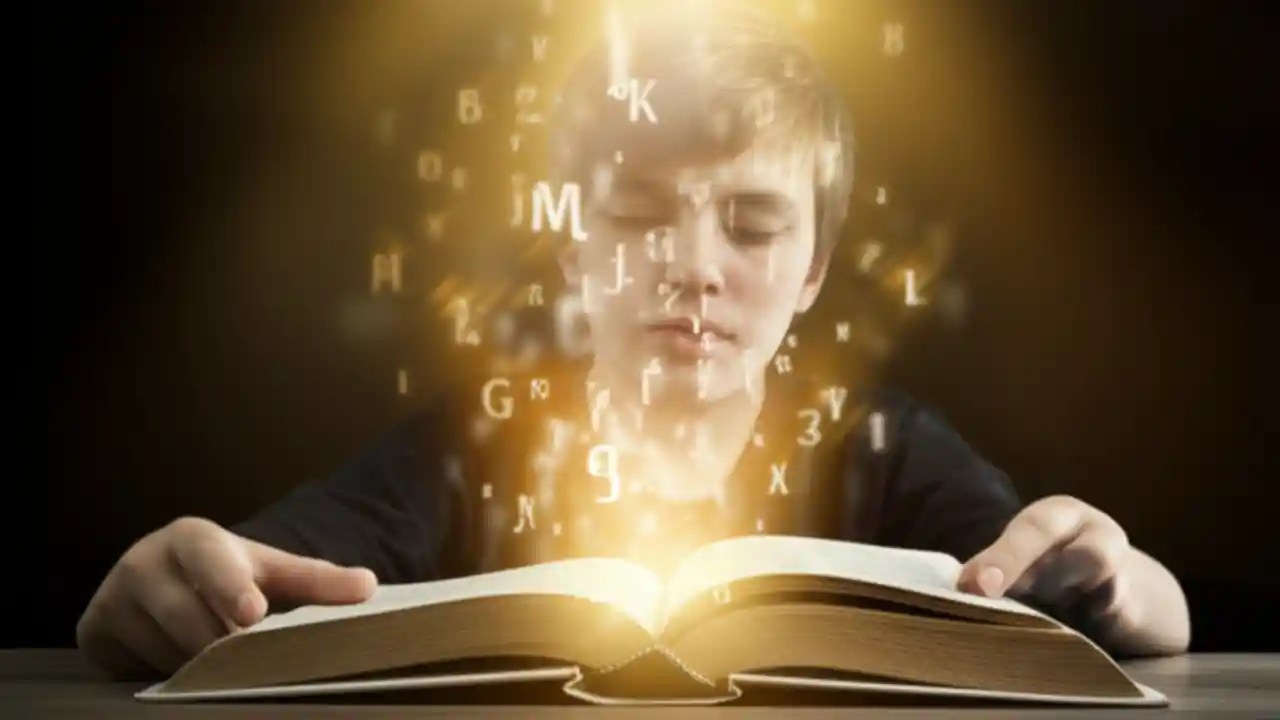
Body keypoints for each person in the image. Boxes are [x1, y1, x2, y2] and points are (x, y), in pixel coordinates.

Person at [76, 5, 1190, 680]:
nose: (692, 267)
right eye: (637, 215)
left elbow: (1120, 603)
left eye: (752, 225)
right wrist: (170, 588)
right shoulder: (470, 446)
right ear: (573, 248)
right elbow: (250, 577)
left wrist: (1119, 582)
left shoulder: (884, 444)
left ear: (812, 270)